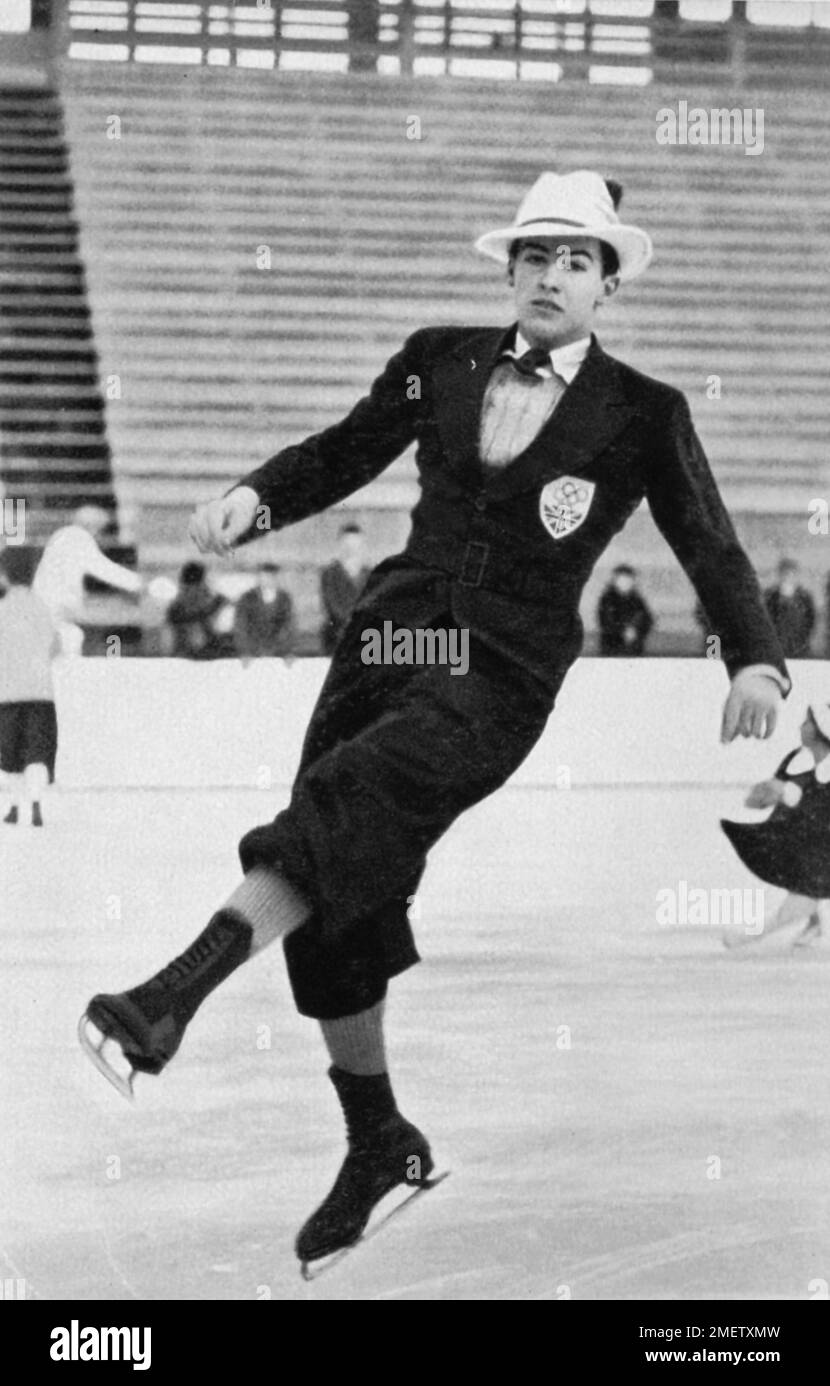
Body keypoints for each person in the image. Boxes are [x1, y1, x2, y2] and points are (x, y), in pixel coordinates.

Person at [79, 169, 789, 1272]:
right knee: (335, 896)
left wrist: (751, 658)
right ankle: (378, 1141)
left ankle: (168, 998)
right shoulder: (436, 361)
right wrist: (254, 498)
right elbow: (343, 449)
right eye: (531, 256)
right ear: (507, 271)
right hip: (389, 641)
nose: (548, 275)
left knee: (342, 805)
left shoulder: (644, 413)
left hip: (498, 672)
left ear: (607, 286)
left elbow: (706, 538)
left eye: (572, 260)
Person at [721, 704, 830, 950]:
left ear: (822, 731)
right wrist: (767, 795)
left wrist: (789, 794)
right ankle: (814, 923)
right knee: (804, 883)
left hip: (820, 850)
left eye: (807, 723)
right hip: (804, 844)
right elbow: (776, 793)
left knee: (800, 900)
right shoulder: (796, 759)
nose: (801, 727)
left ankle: (745, 937)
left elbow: (818, 807)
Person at [0, 547, 60, 828]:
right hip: (40, 693)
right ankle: (36, 803)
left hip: (8, 693)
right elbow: (55, 646)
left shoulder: (3, 609)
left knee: (9, 755)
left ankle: (12, 805)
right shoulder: (42, 608)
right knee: (36, 753)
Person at [33, 505, 142, 656]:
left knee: (72, 637)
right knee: (70, 639)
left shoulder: (63, 537)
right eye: (100, 529)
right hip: (52, 609)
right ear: (92, 526)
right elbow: (103, 568)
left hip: (49, 607)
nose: (99, 535)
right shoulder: (77, 537)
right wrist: (140, 583)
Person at [319, 522, 371, 655]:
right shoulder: (330, 574)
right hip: (338, 637)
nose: (351, 549)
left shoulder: (370, 574)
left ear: (362, 545)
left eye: (355, 545)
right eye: (347, 544)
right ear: (340, 544)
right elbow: (333, 607)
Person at [233, 562, 295, 661]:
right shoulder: (247, 598)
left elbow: (289, 625)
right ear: (259, 578)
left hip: (277, 651)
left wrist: (287, 652)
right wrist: (245, 652)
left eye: (271, 577)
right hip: (253, 652)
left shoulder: (284, 598)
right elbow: (241, 626)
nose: (268, 580)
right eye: (264, 577)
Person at [166, 561, 226, 660]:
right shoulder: (177, 609)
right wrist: (214, 608)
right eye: (204, 586)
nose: (207, 590)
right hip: (184, 659)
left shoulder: (205, 604)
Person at [596, 563, 654, 656]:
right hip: (612, 648)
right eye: (622, 580)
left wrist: (636, 630)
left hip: (634, 648)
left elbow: (647, 619)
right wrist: (623, 631)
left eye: (628, 581)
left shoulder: (637, 599)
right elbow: (606, 622)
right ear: (615, 581)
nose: (625, 584)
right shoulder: (607, 599)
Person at [763, 558, 815, 659]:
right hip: (776, 647)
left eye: (791, 573)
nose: (787, 577)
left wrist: (803, 637)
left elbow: (810, 620)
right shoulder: (770, 596)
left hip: (799, 647)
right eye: (785, 573)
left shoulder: (804, 597)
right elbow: (766, 618)